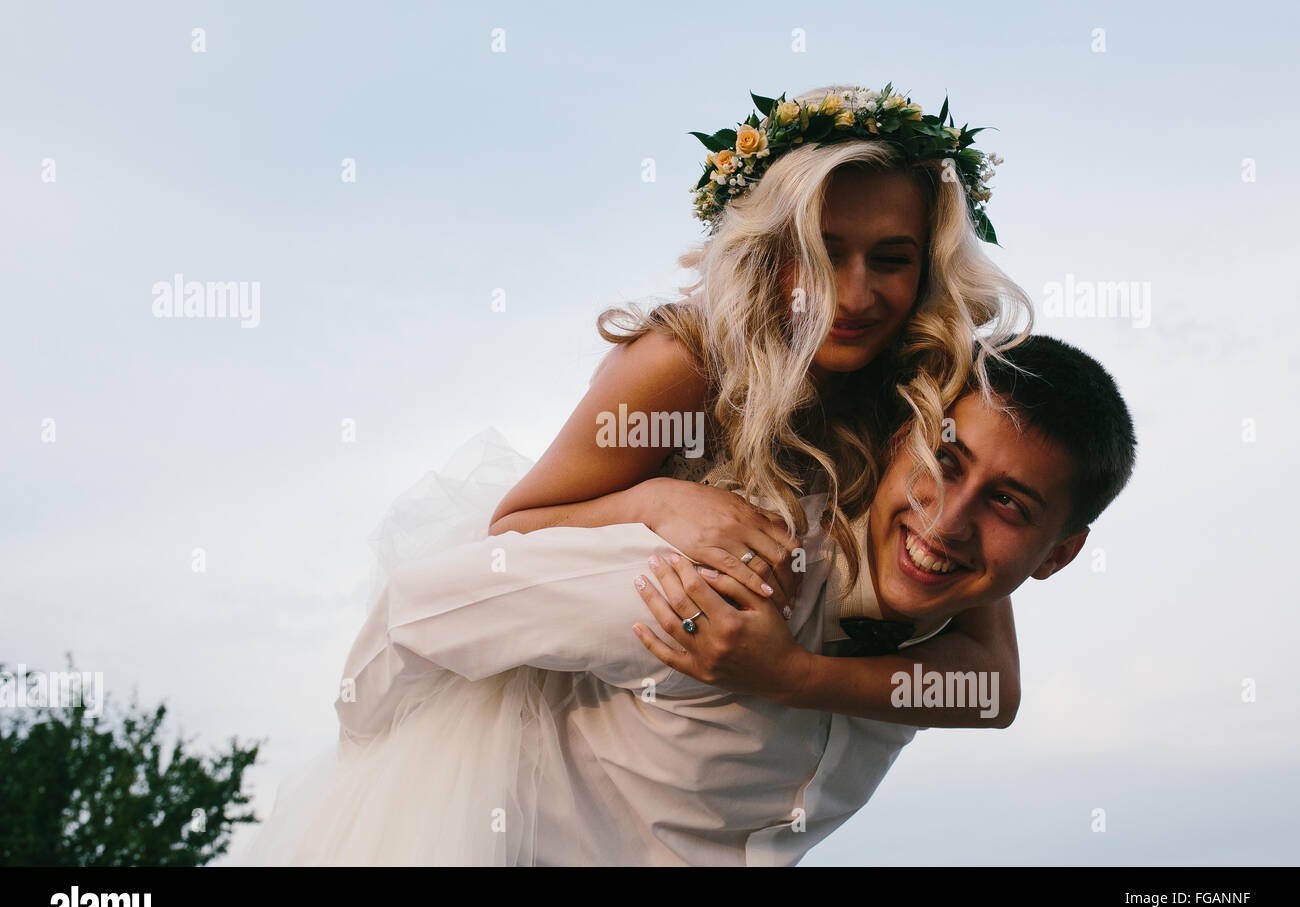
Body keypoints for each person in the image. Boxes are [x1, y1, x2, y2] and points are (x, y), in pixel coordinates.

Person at [240, 335, 1136, 866]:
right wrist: (388, 775)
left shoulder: (935, 644)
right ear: (902, 437)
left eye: (1010, 506)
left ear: (1059, 555)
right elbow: (415, 614)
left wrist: (790, 676)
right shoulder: (730, 574)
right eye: (943, 463)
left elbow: (988, 696)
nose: (948, 519)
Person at [486, 83, 1032, 709]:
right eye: (821, 254)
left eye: (890, 259)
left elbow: (990, 685)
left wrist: (792, 675)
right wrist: (654, 502)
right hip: (594, 743)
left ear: (928, 268)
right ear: (767, 252)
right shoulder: (683, 365)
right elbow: (508, 538)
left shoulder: (933, 391)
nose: (853, 297)